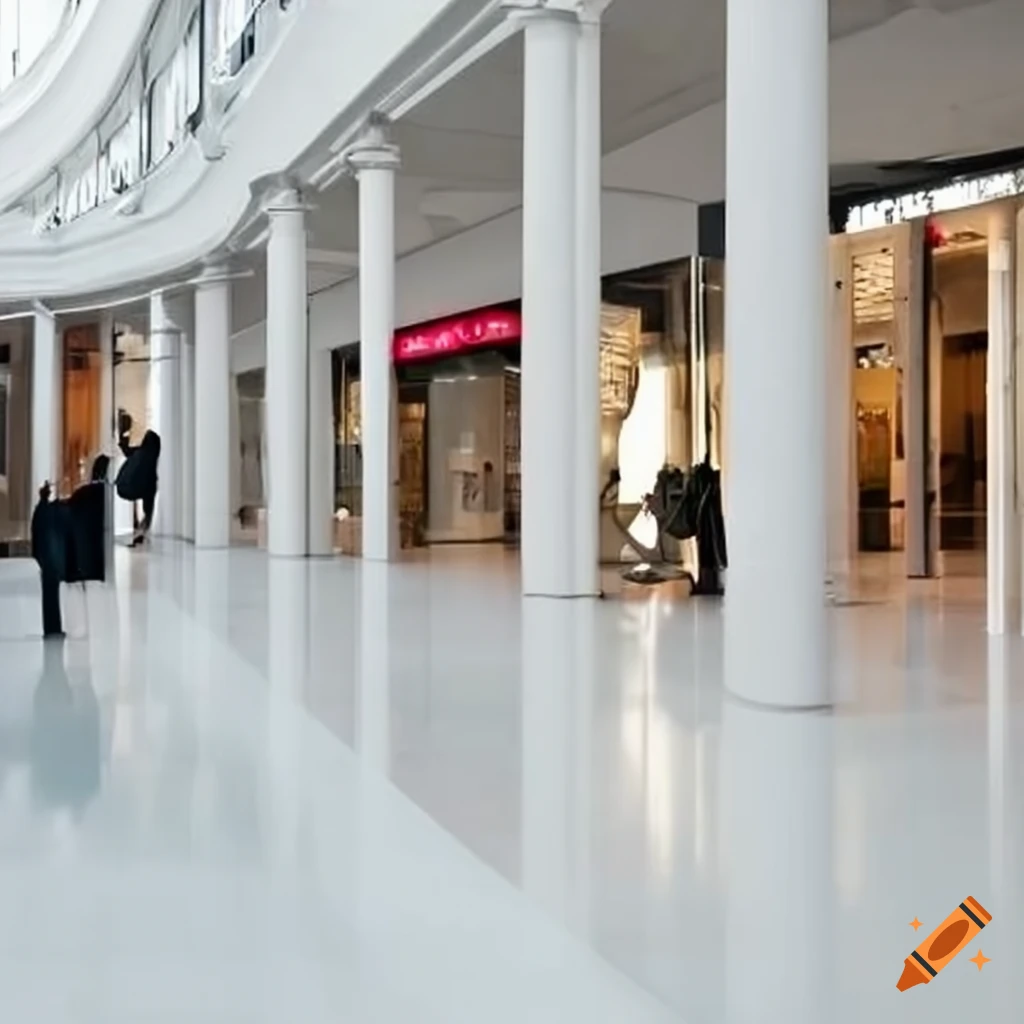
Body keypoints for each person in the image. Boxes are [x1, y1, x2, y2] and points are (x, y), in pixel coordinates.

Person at [31, 482, 67, 639]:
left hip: (45, 558)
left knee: (49, 596)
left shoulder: (40, 510)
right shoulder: (49, 511)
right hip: (50, 559)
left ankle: (52, 628)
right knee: (52, 596)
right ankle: (53, 629)